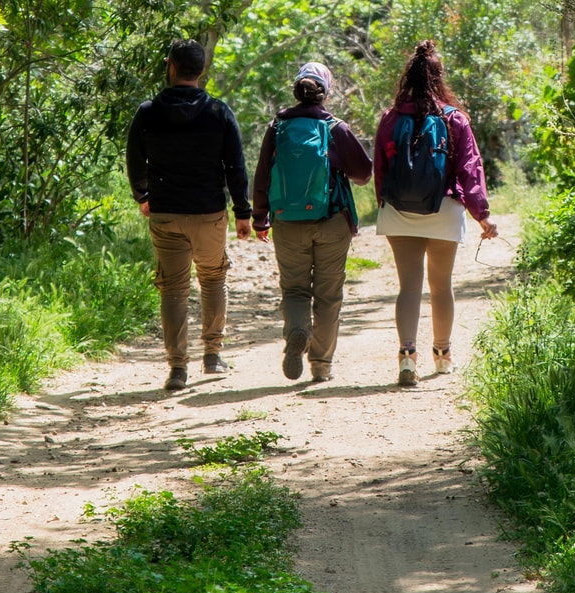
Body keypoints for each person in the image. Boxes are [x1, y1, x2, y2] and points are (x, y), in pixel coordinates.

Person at [127, 39, 253, 391]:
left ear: (170, 66)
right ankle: (212, 356)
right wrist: (242, 212)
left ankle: (177, 369)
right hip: (209, 212)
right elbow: (235, 167)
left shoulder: (148, 111)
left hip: (166, 211)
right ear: (201, 70)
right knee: (213, 279)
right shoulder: (218, 112)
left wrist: (143, 195)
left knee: (173, 290)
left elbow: (135, 160)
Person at [373, 40, 498, 386]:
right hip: (444, 208)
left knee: (408, 287)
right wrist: (482, 216)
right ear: (439, 78)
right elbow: (469, 169)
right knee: (441, 286)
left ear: (408, 78)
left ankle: (406, 357)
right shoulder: (454, 119)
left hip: (399, 211)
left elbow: (380, 167)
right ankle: (442, 357)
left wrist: (385, 200)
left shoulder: (390, 118)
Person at [252, 62, 372, 382]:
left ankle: (298, 331)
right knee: (329, 295)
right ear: (326, 91)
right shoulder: (336, 129)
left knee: (294, 289)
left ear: (296, 89)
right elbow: (363, 174)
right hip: (332, 220)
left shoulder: (277, 127)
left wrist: (259, 218)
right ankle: (321, 364)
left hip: (287, 222)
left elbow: (263, 176)